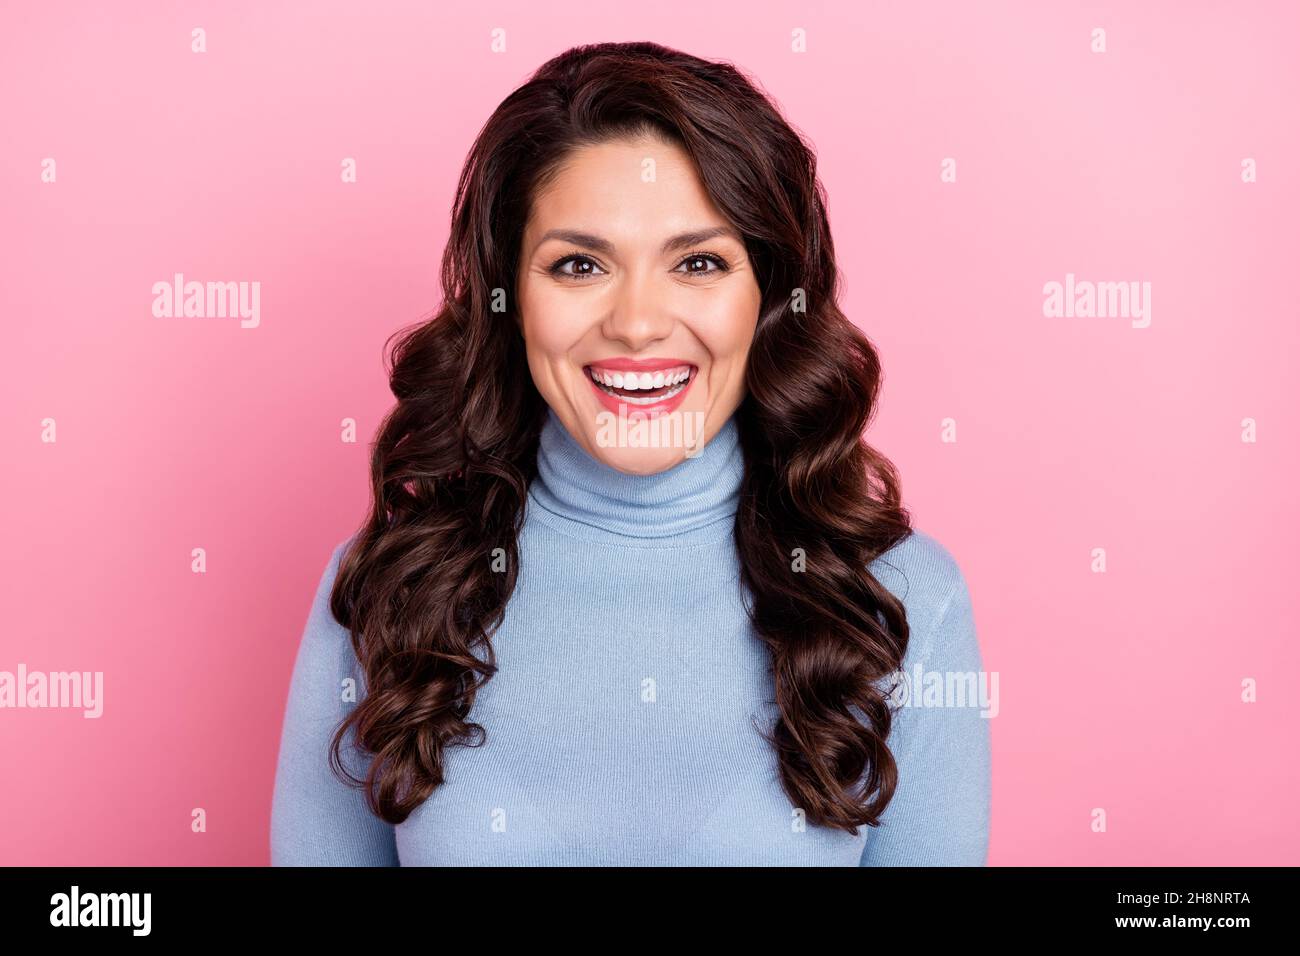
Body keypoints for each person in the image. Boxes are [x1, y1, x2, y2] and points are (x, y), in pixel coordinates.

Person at [270, 40, 990, 866]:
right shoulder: (387, 586)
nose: (638, 323)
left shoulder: (900, 599)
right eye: (579, 265)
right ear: (510, 298)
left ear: (769, 298)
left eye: (698, 263)